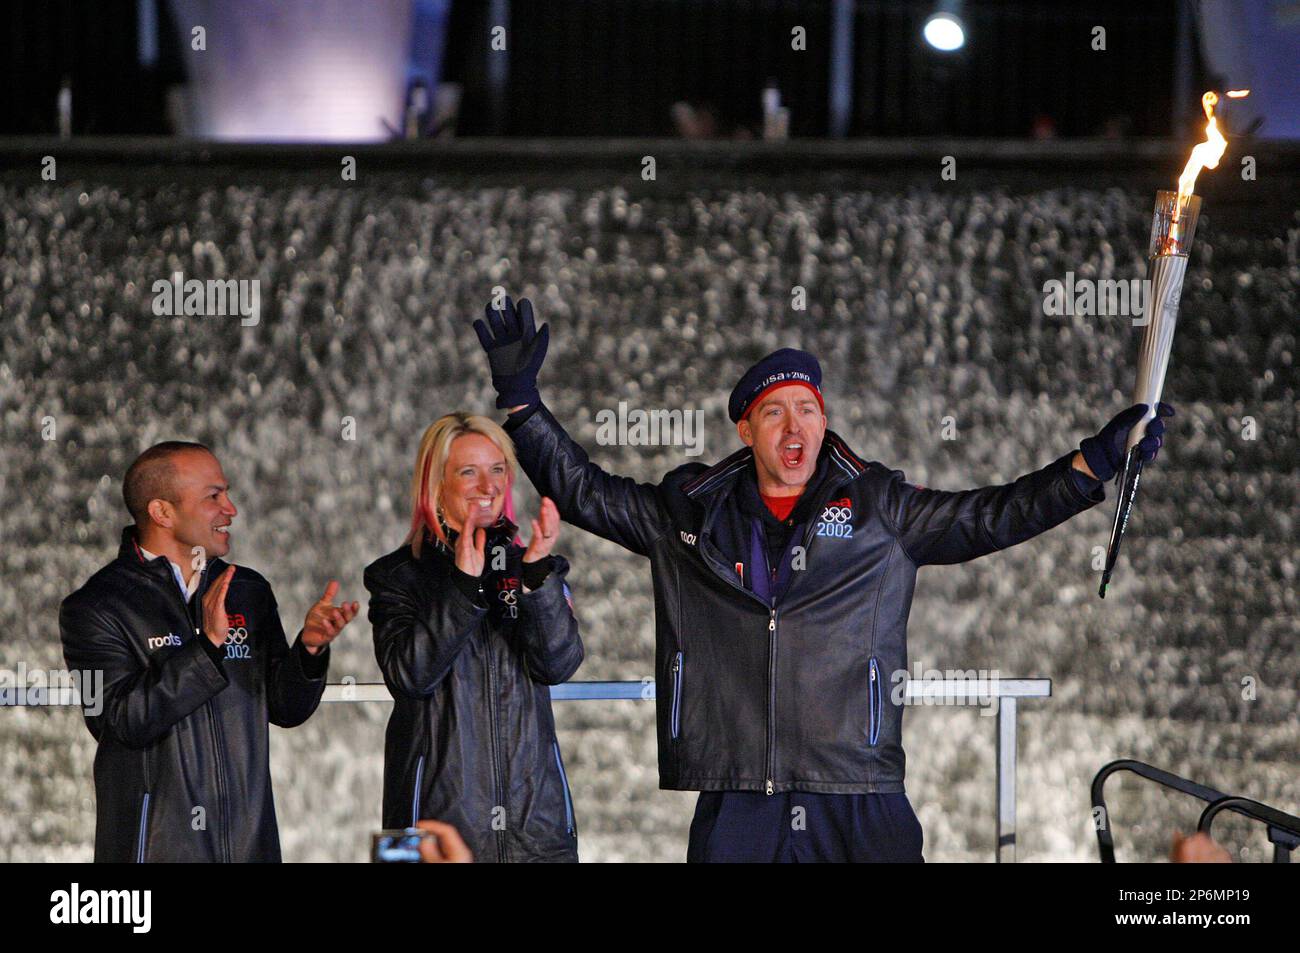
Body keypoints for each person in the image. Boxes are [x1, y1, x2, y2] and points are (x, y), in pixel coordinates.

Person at [474, 296, 1174, 863]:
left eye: (806, 408)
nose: (793, 425)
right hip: (739, 794)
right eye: (774, 412)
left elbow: (994, 514)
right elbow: (586, 491)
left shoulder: (881, 507)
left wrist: (1093, 464)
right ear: (747, 431)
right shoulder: (686, 512)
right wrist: (522, 406)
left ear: (823, 420)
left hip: (859, 791)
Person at [60, 441, 358, 862]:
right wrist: (207, 648)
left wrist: (309, 651)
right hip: (154, 852)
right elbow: (119, 722)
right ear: (162, 512)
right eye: (213, 496)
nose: (231, 509)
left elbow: (286, 709)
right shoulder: (94, 607)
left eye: (227, 493)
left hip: (251, 847)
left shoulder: (249, 590)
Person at [365, 412, 585, 863]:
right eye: (469, 472)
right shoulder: (395, 576)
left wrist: (536, 580)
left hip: (538, 835)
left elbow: (558, 665)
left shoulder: (537, 566)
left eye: (498, 469)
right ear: (435, 483)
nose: (488, 486)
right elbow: (410, 676)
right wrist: (464, 588)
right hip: (432, 836)